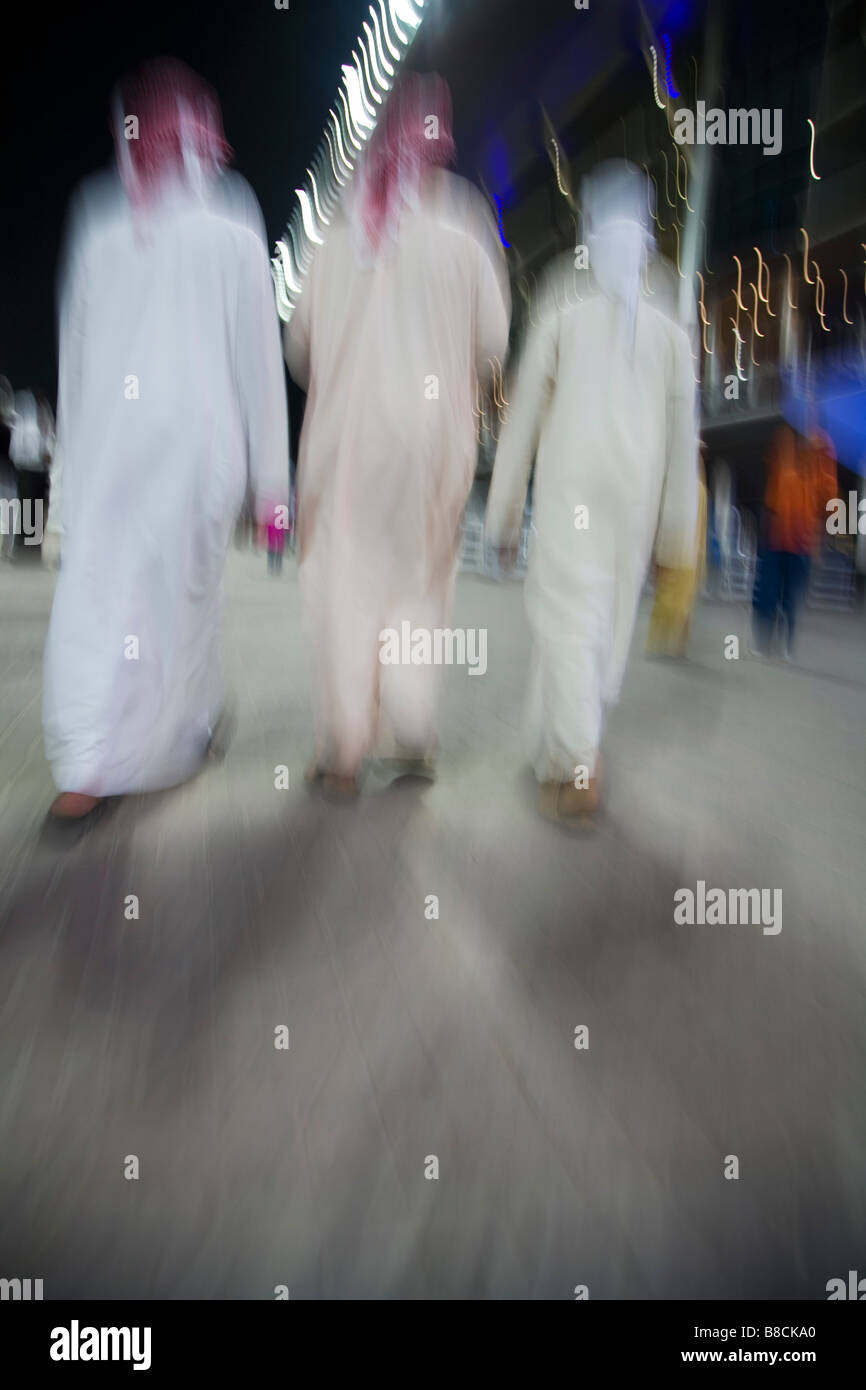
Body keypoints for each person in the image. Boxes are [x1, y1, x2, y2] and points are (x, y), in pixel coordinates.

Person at [43, 58, 289, 831]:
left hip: (113, 453)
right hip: (197, 460)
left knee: (100, 604)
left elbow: (72, 367)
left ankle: (90, 766)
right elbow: (260, 367)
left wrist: (66, 490)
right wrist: (272, 491)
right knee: (182, 610)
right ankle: (168, 737)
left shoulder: (98, 222)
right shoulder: (231, 226)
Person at [285, 72, 510, 800]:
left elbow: (299, 349)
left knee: (346, 587)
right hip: (432, 446)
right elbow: (496, 343)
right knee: (418, 584)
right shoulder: (465, 223)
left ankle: (344, 752)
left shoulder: (342, 230)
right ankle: (411, 735)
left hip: (344, 446)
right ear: (441, 146)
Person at [485, 160, 698, 828]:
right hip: (634, 505)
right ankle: (558, 757)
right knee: (599, 629)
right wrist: (675, 536)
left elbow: (518, 430)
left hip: (571, 491)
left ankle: (579, 765)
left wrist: (505, 518)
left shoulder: (559, 316)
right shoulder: (671, 334)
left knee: (568, 619)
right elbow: (682, 446)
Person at [751, 423, 837, 660]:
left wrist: (819, 453)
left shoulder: (821, 450)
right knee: (767, 593)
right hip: (776, 539)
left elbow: (830, 498)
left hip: (801, 542)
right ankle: (763, 643)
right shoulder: (784, 442)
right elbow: (771, 488)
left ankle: (785, 645)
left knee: (790, 598)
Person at [647, 448, 708, 658]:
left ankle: (672, 643)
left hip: (683, 552)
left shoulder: (690, 489)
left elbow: (700, 525)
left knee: (678, 601)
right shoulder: (683, 489)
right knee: (671, 599)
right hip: (679, 552)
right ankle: (662, 641)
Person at [10, 388, 50, 562]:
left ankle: (33, 554)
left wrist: (47, 457)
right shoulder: (25, 421)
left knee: (38, 514)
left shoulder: (46, 420)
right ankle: (21, 554)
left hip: (41, 472)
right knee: (28, 513)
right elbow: (16, 451)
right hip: (27, 472)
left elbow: (50, 443)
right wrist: (36, 458)